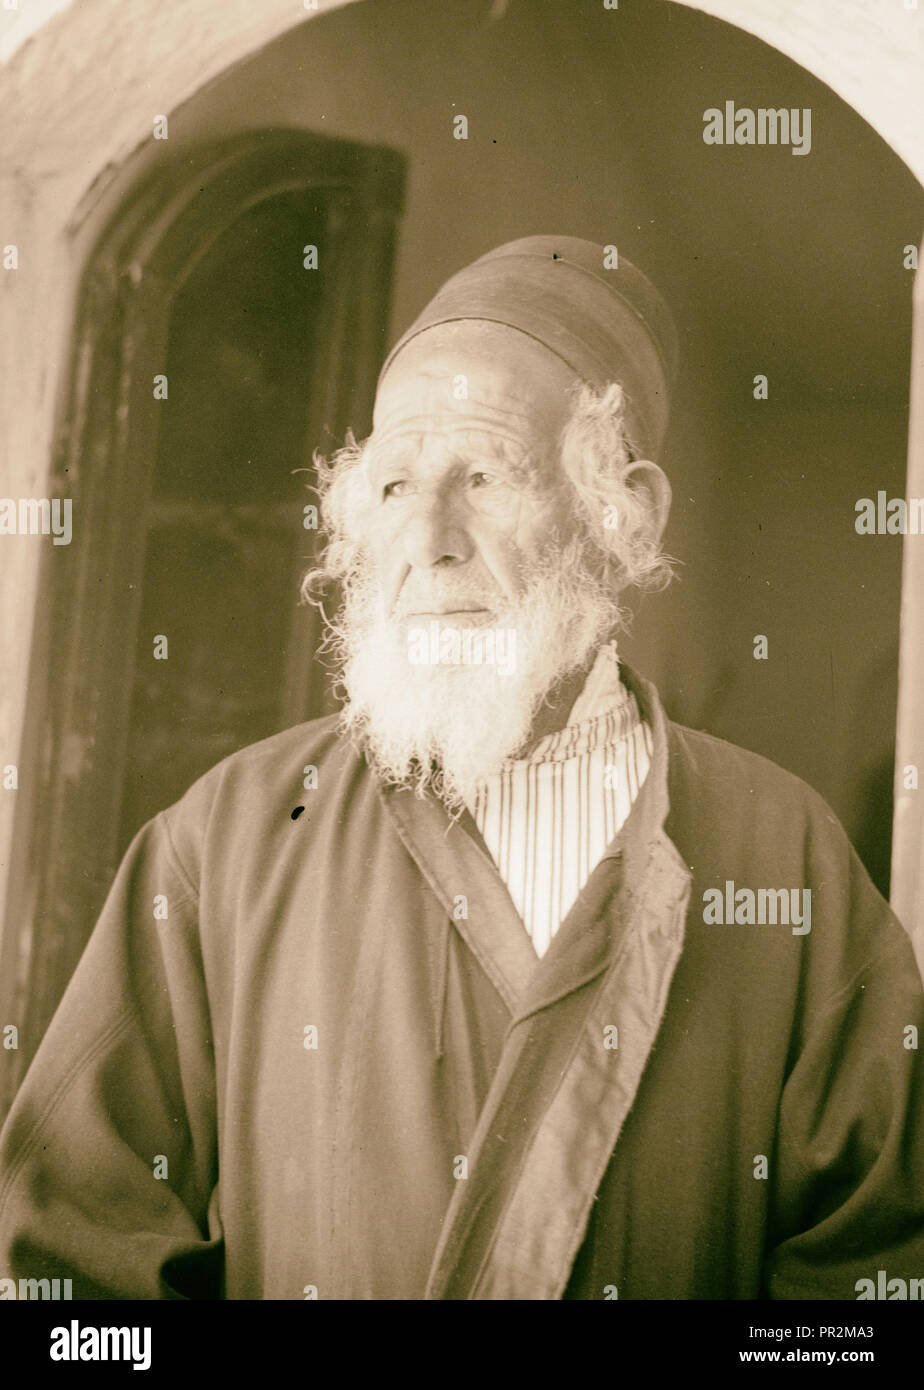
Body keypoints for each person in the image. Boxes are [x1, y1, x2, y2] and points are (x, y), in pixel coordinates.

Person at [0, 237, 921, 1301]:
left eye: (484, 476)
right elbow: (67, 1271)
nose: (428, 539)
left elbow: (874, 1278)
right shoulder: (230, 836)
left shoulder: (783, 851)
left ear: (627, 514)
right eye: (394, 483)